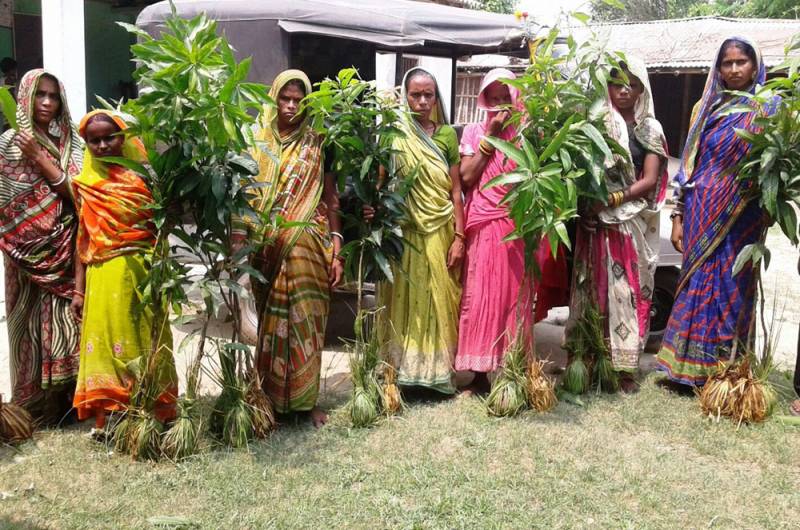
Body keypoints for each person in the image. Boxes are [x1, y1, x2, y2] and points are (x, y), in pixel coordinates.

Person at [657, 37, 774, 387]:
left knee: (731, 288)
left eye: (742, 62)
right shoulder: (704, 107)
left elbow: (774, 167)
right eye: (728, 63)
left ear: (755, 65)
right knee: (696, 283)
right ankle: (683, 369)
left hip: (743, 216)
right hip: (700, 212)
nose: (735, 69)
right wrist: (677, 216)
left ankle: (724, 372)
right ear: (718, 67)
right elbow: (688, 166)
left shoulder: (769, 108)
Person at [234, 70, 343, 428]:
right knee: (272, 325)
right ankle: (267, 399)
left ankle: (307, 401)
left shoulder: (318, 140)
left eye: (299, 99)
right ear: (274, 99)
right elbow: (244, 195)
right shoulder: (256, 141)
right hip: (267, 246)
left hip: (310, 244)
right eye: (286, 98)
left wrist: (337, 246)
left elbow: (330, 195)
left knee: (309, 321)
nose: (292, 106)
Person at [455, 68, 567, 393]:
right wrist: (490, 136)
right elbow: (465, 178)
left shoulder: (527, 136)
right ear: (484, 99)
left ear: (517, 98)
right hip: (484, 227)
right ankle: (478, 374)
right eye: (494, 97)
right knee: (479, 298)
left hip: (518, 230)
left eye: (507, 96)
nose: (501, 103)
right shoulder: (474, 132)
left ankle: (513, 367)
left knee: (513, 299)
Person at [70, 110, 178, 430]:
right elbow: (83, 236)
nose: (102, 145)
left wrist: (164, 273)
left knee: (147, 339)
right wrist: (78, 290)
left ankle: (154, 412)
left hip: (143, 271)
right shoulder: (86, 183)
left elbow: (162, 227)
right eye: (94, 141)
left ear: (125, 137)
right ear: (86, 144)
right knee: (108, 344)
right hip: (102, 274)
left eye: (110, 137)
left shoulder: (145, 178)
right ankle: (112, 419)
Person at [566, 58, 668, 393]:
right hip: (595, 223)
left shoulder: (649, 128)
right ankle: (588, 361)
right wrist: (588, 206)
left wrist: (609, 201)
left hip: (628, 221)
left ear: (642, 90)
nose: (623, 90)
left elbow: (649, 180)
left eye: (632, 84)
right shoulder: (592, 125)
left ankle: (624, 369)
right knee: (591, 292)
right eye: (616, 83)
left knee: (627, 292)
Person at [375, 67, 464, 395]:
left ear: (436, 97)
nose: (423, 101)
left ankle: (437, 374)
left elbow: (456, 192)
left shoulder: (446, 135)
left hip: (439, 229)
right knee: (403, 300)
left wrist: (460, 237)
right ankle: (400, 372)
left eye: (428, 95)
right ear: (405, 96)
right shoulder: (393, 134)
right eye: (416, 95)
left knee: (437, 299)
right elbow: (381, 186)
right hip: (402, 233)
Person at [0, 70, 81, 423]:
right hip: (24, 253)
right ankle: (36, 406)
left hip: (67, 252)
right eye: (39, 95)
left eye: (53, 96)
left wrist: (40, 157)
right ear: (26, 98)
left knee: (69, 324)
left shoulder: (72, 143)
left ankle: (70, 400)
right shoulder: (7, 144)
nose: (47, 103)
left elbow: (82, 196)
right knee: (29, 327)